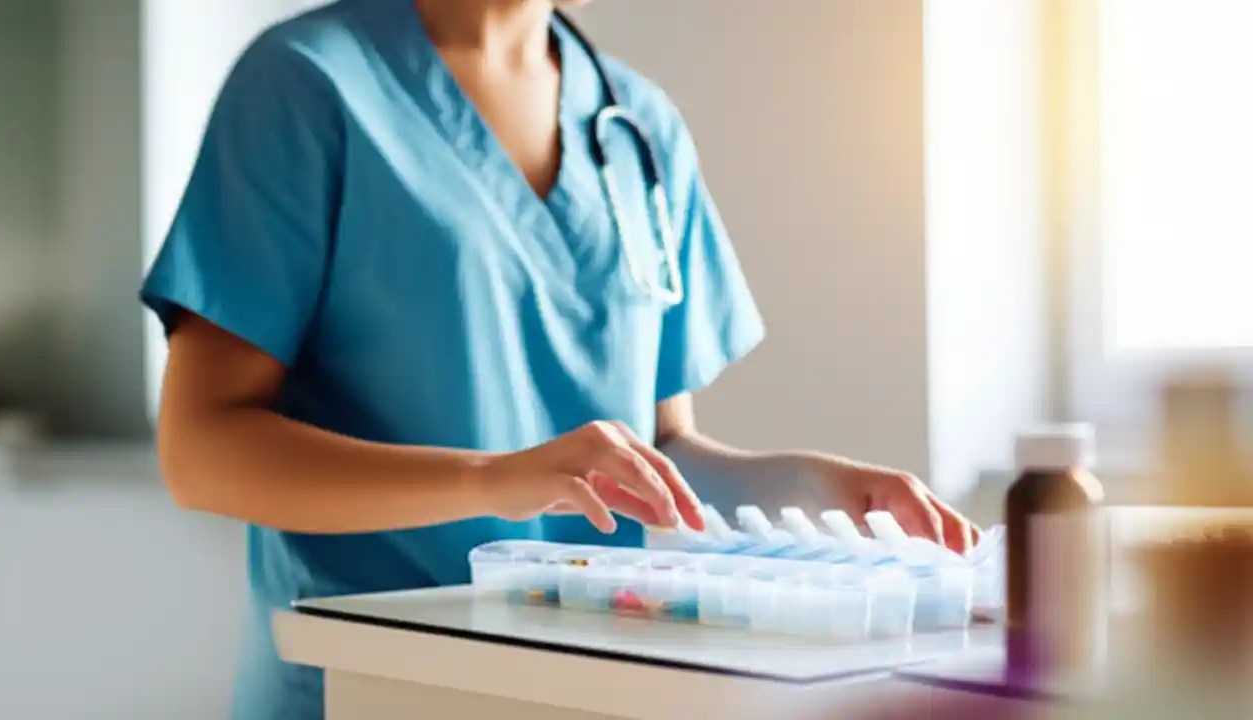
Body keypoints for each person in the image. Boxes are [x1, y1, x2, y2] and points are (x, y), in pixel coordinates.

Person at [141, 1, 978, 717]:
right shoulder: (306, 86)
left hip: (582, 686)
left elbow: (656, 457)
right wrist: (493, 480)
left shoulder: (637, 124)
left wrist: (807, 489)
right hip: (370, 687)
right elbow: (201, 451)